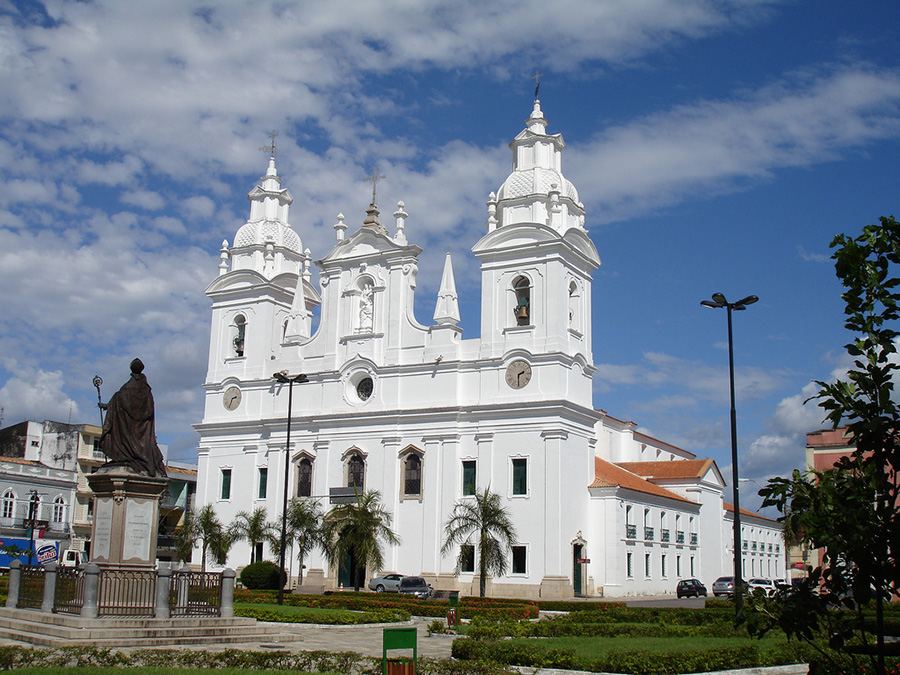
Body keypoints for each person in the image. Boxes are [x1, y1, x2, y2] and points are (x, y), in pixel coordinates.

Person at [98, 358, 167, 478]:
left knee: (126, 444)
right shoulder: (146, 389)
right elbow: (148, 409)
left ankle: (130, 454)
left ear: (131, 369)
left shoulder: (128, 388)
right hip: (142, 430)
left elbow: (120, 400)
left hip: (129, 428)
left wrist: (108, 405)